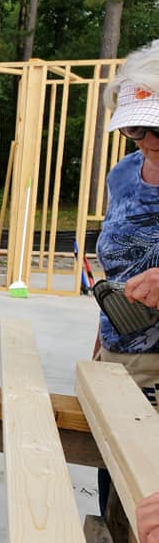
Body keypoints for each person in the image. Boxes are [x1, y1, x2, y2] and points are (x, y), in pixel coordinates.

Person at [94, 39, 159, 517]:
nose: (148, 141)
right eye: (136, 128)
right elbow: (117, 266)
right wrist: (100, 339)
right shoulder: (124, 174)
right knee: (115, 492)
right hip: (118, 356)